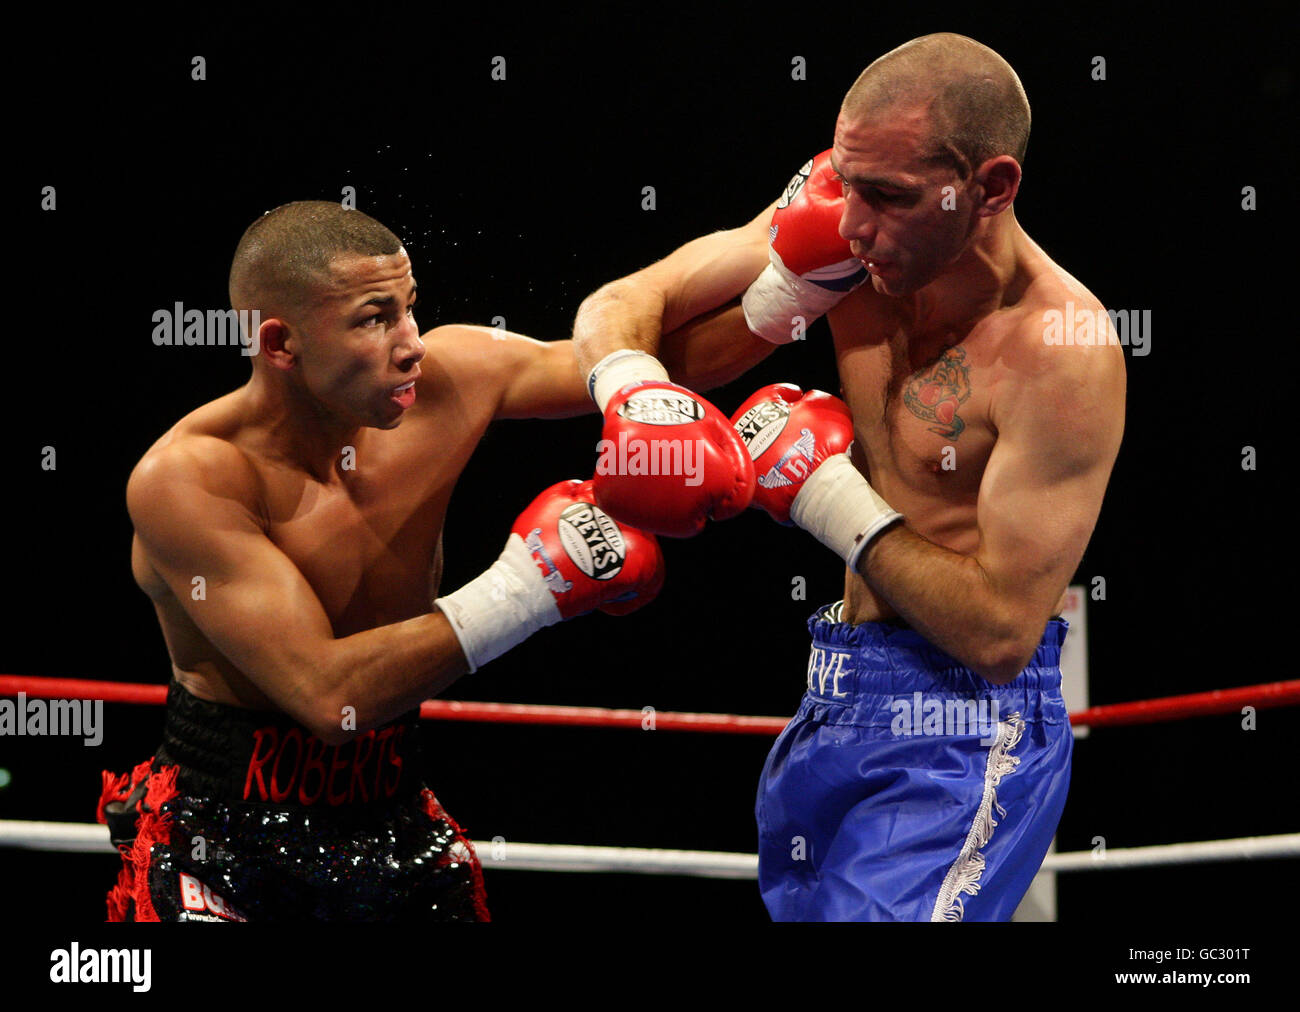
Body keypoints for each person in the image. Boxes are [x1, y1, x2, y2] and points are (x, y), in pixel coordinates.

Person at [573, 33, 1126, 921]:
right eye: (847, 183)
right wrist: (641, 384)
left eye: (890, 198)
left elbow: (997, 636)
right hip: (835, 690)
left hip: (960, 728)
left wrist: (823, 494)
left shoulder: (1063, 352)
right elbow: (625, 308)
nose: (854, 223)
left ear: (990, 187)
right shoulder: (849, 224)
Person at [98, 200, 768, 922]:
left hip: (393, 817)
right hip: (224, 836)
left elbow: (645, 362)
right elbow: (331, 697)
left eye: (410, 309)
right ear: (281, 344)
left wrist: (800, 280)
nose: (411, 342)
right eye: (373, 319)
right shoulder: (191, 478)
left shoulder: (451, 378)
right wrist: (532, 586)